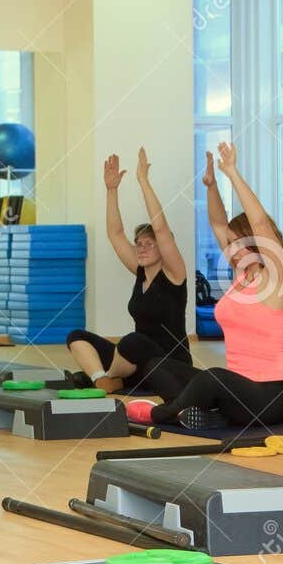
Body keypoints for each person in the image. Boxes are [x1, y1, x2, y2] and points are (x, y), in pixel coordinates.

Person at [125, 143, 283, 430]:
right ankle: (203, 413)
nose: (233, 250)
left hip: (268, 398)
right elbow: (218, 223)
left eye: (241, 243)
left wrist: (232, 172)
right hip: (236, 392)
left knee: (214, 377)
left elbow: (259, 223)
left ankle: (163, 415)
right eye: (230, 244)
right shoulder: (241, 275)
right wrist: (211, 186)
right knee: (158, 366)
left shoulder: (277, 278)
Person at [64, 148, 189, 394]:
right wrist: (111, 190)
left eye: (149, 244)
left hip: (168, 365)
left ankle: (109, 377)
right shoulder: (140, 271)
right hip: (135, 361)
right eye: (138, 244)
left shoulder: (175, 274)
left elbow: (161, 228)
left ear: (164, 247)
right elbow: (115, 234)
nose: (141, 248)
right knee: (77, 336)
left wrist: (143, 181)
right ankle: (102, 380)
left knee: (132, 341)